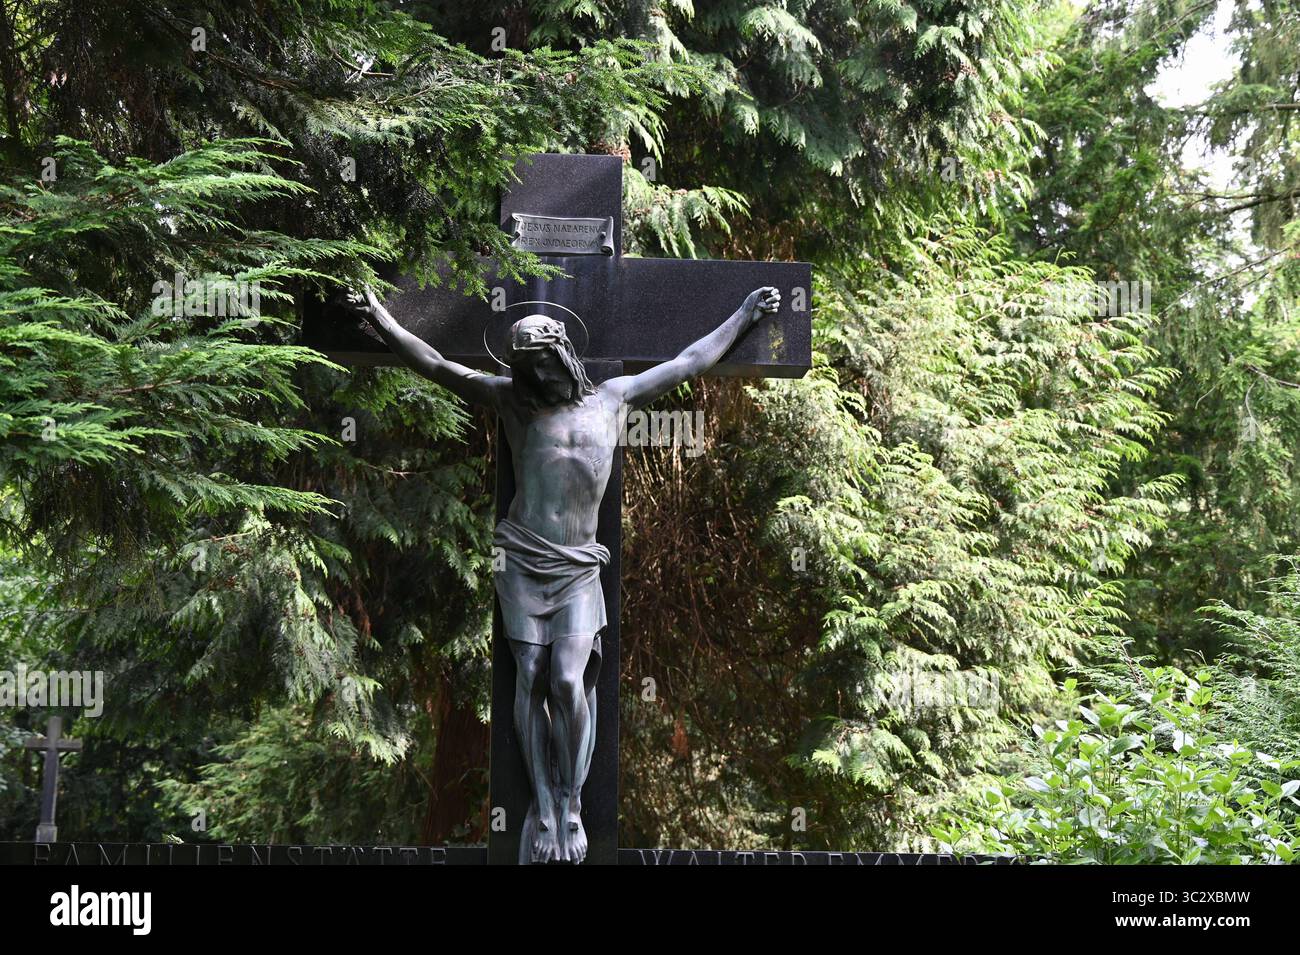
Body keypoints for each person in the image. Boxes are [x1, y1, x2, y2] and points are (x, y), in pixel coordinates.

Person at [348, 285, 781, 862]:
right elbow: (436, 363)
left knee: (569, 682)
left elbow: (688, 361)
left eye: (543, 363)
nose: (537, 376)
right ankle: (544, 810)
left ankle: (571, 802)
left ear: (563, 357)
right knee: (530, 672)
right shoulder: (513, 404)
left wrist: (743, 315)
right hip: (524, 556)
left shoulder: (612, 399)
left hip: (578, 566)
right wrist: (379, 316)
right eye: (525, 367)